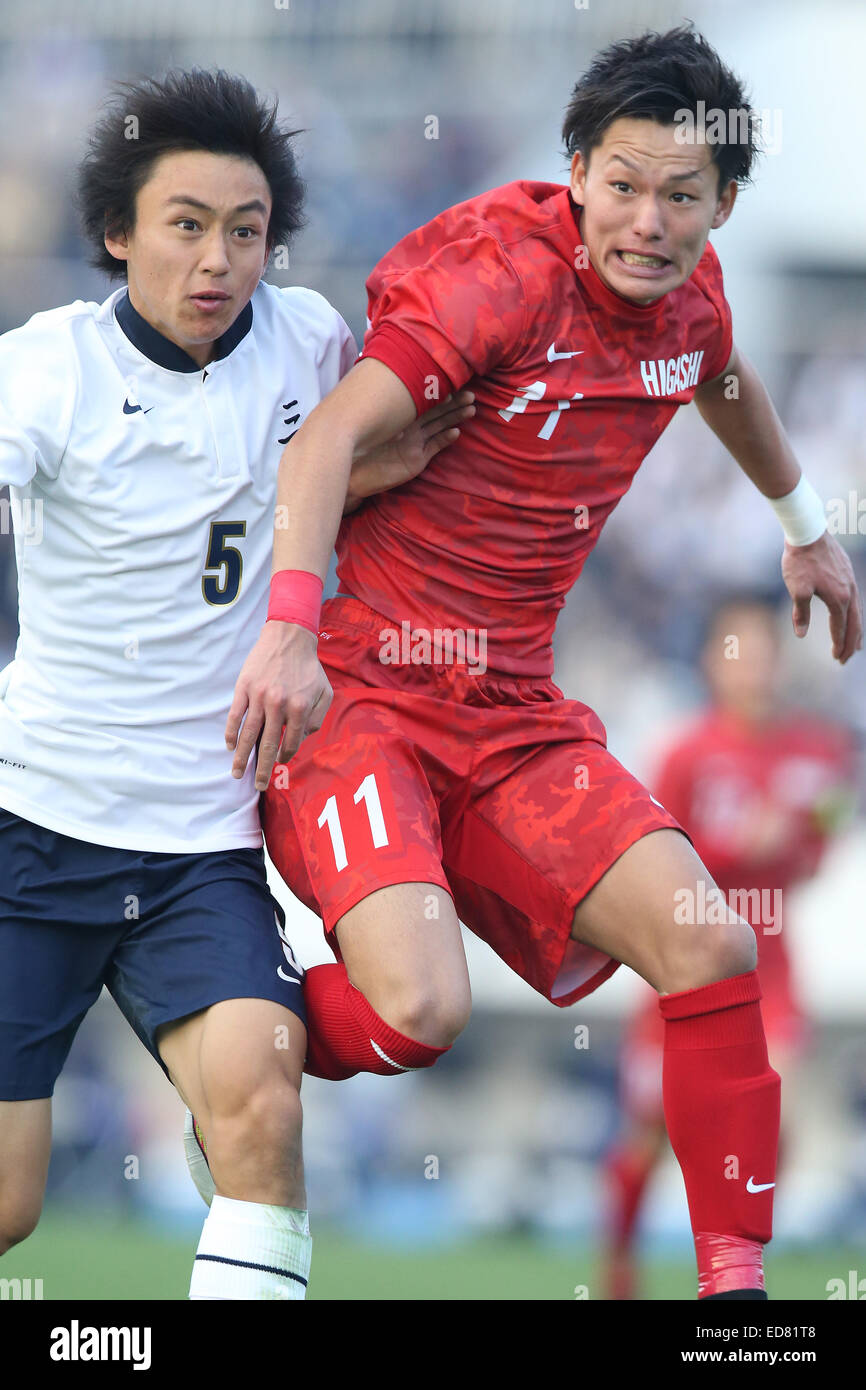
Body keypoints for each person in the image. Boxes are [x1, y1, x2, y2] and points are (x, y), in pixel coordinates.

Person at [228, 25, 863, 1300]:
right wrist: (290, 632)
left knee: (708, 945)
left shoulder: (694, 298)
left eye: (679, 196)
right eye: (621, 184)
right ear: (574, 172)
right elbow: (322, 448)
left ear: (722, 205)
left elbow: (719, 373)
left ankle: (729, 1299)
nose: (645, 219)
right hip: (359, 690)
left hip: (513, 710)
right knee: (418, 1011)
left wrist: (807, 534)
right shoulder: (493, 280)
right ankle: (225, 1037)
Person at [0, 66, 471, 1300]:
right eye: (186, 225)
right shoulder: (49, 368)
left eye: (246, 230)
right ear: (117, 234)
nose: (219, 259)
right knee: (7, 1200)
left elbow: (351, 470)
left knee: (263, 1102)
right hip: (32, 830)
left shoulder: (313, 345)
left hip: (198, 846)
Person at [602, 593, 856, 1299]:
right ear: (715, 662)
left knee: (778, 1122)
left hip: (769, 968)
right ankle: (619, 1272)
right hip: (681, 968)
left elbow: (811, 862)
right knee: (653, 1133)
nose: (753, 667)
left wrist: (805, 840)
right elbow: (656, 863)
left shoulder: (815, 751)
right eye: (738, 649)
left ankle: (731, 1273)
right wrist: (736, 848)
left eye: (764, 650)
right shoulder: (686, 754)